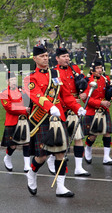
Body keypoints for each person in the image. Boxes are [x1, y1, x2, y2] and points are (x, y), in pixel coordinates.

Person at [24, 43, 86, 197]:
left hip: (58, 118)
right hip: (42, 118)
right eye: (42, 56)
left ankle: (61, 187)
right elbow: (37, 95)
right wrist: (50, 106)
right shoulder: (30, 77)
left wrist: (77, 108)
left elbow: (65, 95)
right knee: (42, 155)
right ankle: (32, 173)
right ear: (35, 59)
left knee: (61, 152)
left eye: (46, 56)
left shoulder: (55, 74)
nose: (45, 58)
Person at [52, 47, 89, 176]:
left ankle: (78, 167)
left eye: (68, 56)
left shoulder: (75, 69)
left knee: (78, 137)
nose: (67, 58)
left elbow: (84, 83)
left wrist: (84, 93)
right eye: (63, 56)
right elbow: (56, 94)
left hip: (74, 108)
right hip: (62, 109)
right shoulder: (54, 73)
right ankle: (52, 160)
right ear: (57, 58)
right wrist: (72, 102)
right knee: (59, 140)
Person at [82, 60, 112, 165]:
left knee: (106, 133)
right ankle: (88, 147)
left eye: (101, 68)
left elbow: (110, 91)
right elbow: (86, 99)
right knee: (93, 135)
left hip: (104, 111)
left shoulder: (105, 79)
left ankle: (106, 157)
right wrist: (101, 103)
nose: (100, 70)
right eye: (97, 68)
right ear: (92, 70)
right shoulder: (88, 81)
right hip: (92, 111)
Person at [0, 71, 31, 172]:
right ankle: (7, 157)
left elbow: (29, 101)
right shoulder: (4, 93)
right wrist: (24, 109)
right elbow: (9, 107)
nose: (14, 81)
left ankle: (27, 165)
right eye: (11, 80)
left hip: (24, 120)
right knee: (13, 145)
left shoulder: (22, 90)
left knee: (26, 142)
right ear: (7, 81)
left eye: (15, 79)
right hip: (12, 121)